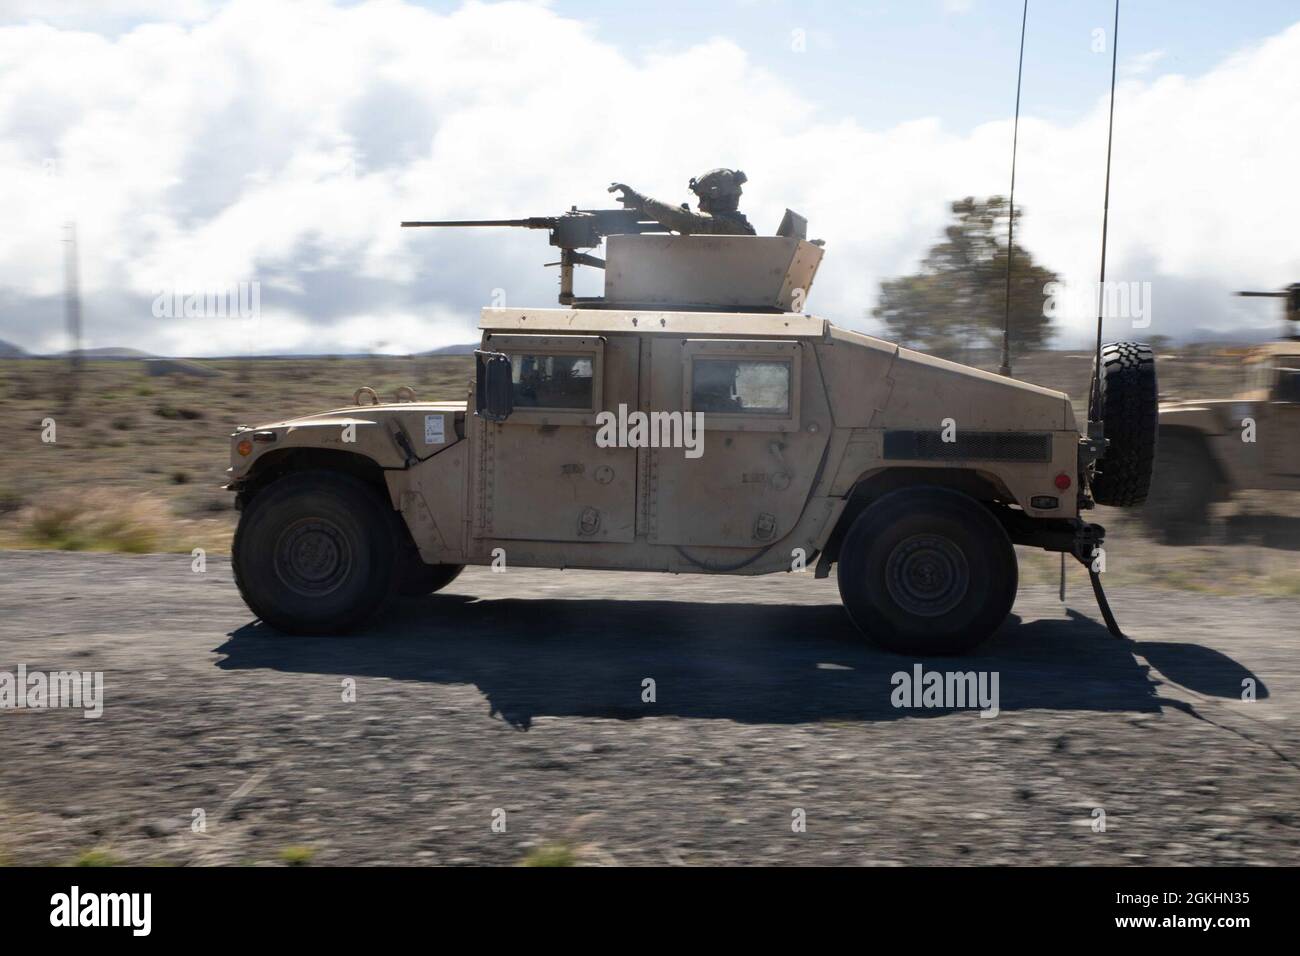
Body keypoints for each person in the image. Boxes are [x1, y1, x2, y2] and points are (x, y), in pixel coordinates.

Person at [608, 168, 756, 236]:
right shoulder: (738, 227)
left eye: (703, 199)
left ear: (717, 197)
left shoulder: (729, 226)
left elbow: (685, 221)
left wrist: (640, 200)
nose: (699, 205)